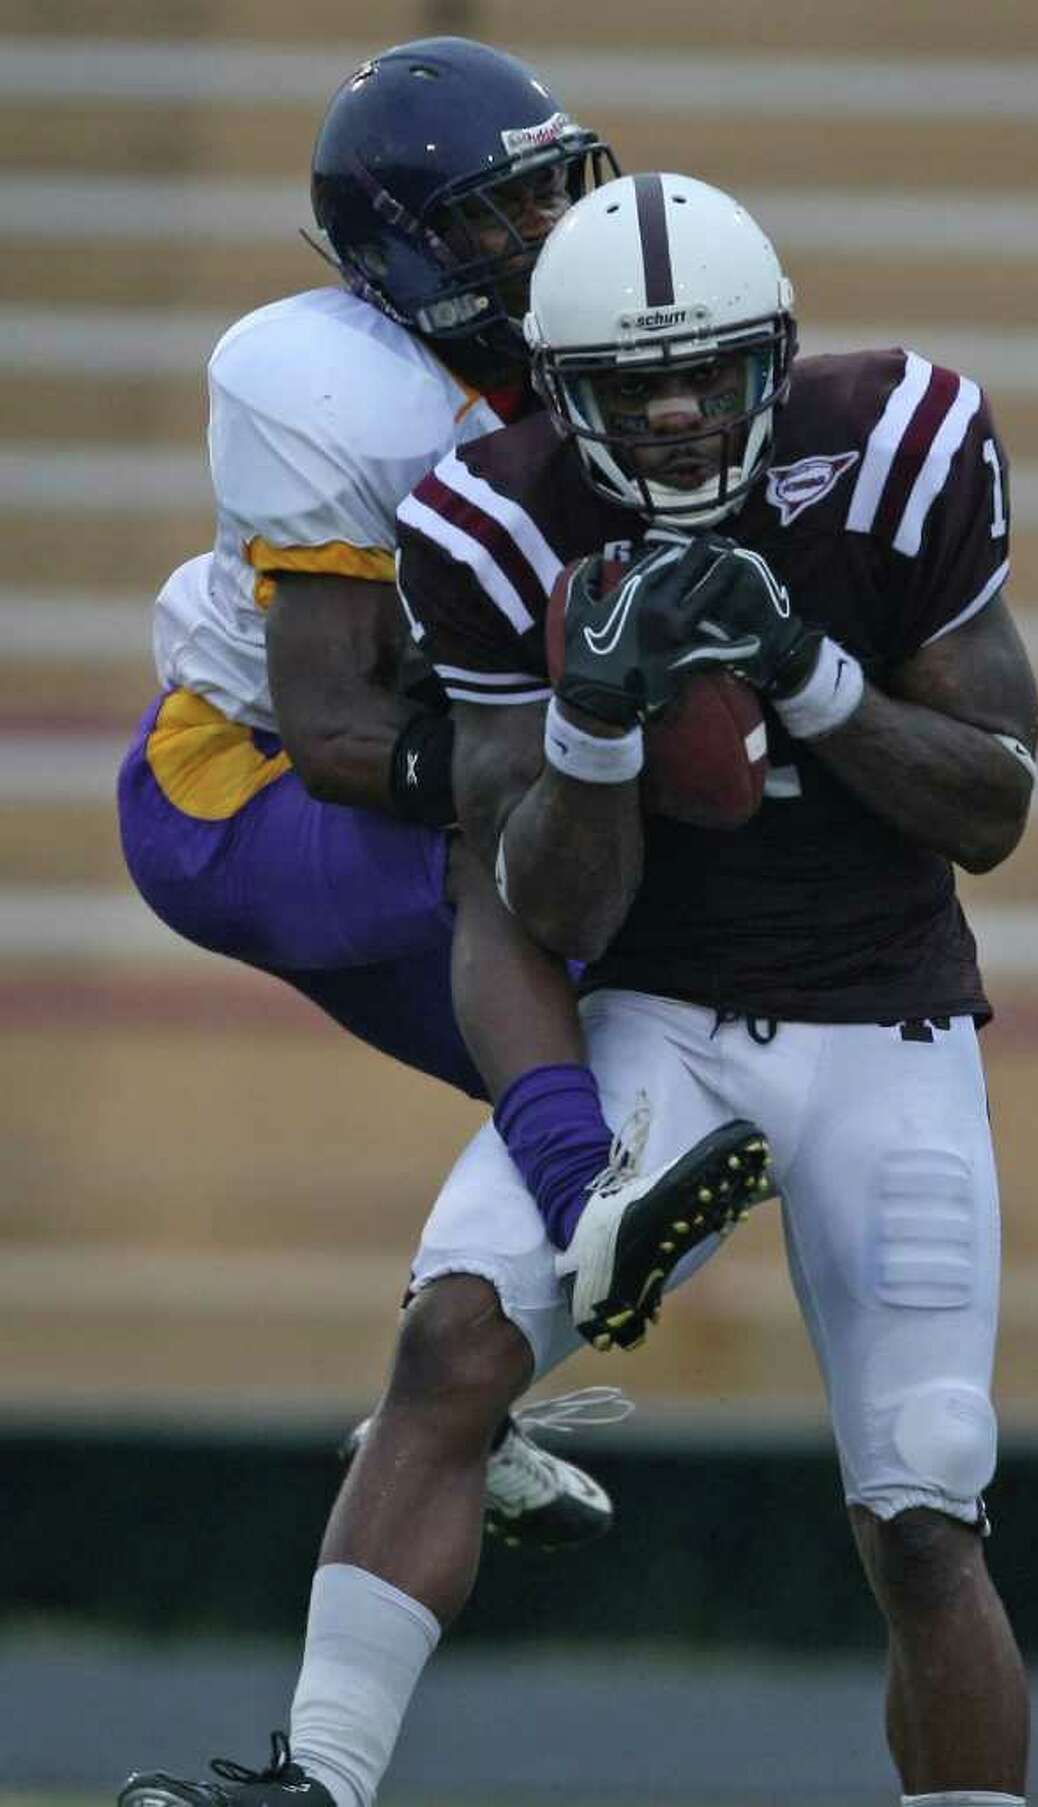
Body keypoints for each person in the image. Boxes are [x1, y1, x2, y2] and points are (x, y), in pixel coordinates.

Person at [120, 173, 1038, 1807]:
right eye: (633, 387)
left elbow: (993, 807)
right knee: (448, 1351)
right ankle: (315, 1783)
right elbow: (533, 898)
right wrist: (595, 726)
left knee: (925, 1506)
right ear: (562, 390)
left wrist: (807, 675)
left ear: (780, 358)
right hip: (655, 1016)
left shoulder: (895, 450)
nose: (680, 417)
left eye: (713, 374)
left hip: (887, 1021)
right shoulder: (497, 521)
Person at [114, 34, 688, 1556]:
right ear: (403, 250)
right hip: (235, 796)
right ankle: (575, 1202)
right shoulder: (334, 382)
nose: (548, 236)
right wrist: (562, 759)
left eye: (558, 191)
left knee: (679, 1085)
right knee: (530, 889)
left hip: (373, 785)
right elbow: (334, 733)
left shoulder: (567, 359)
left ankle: (453, 1403)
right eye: (501, 217)